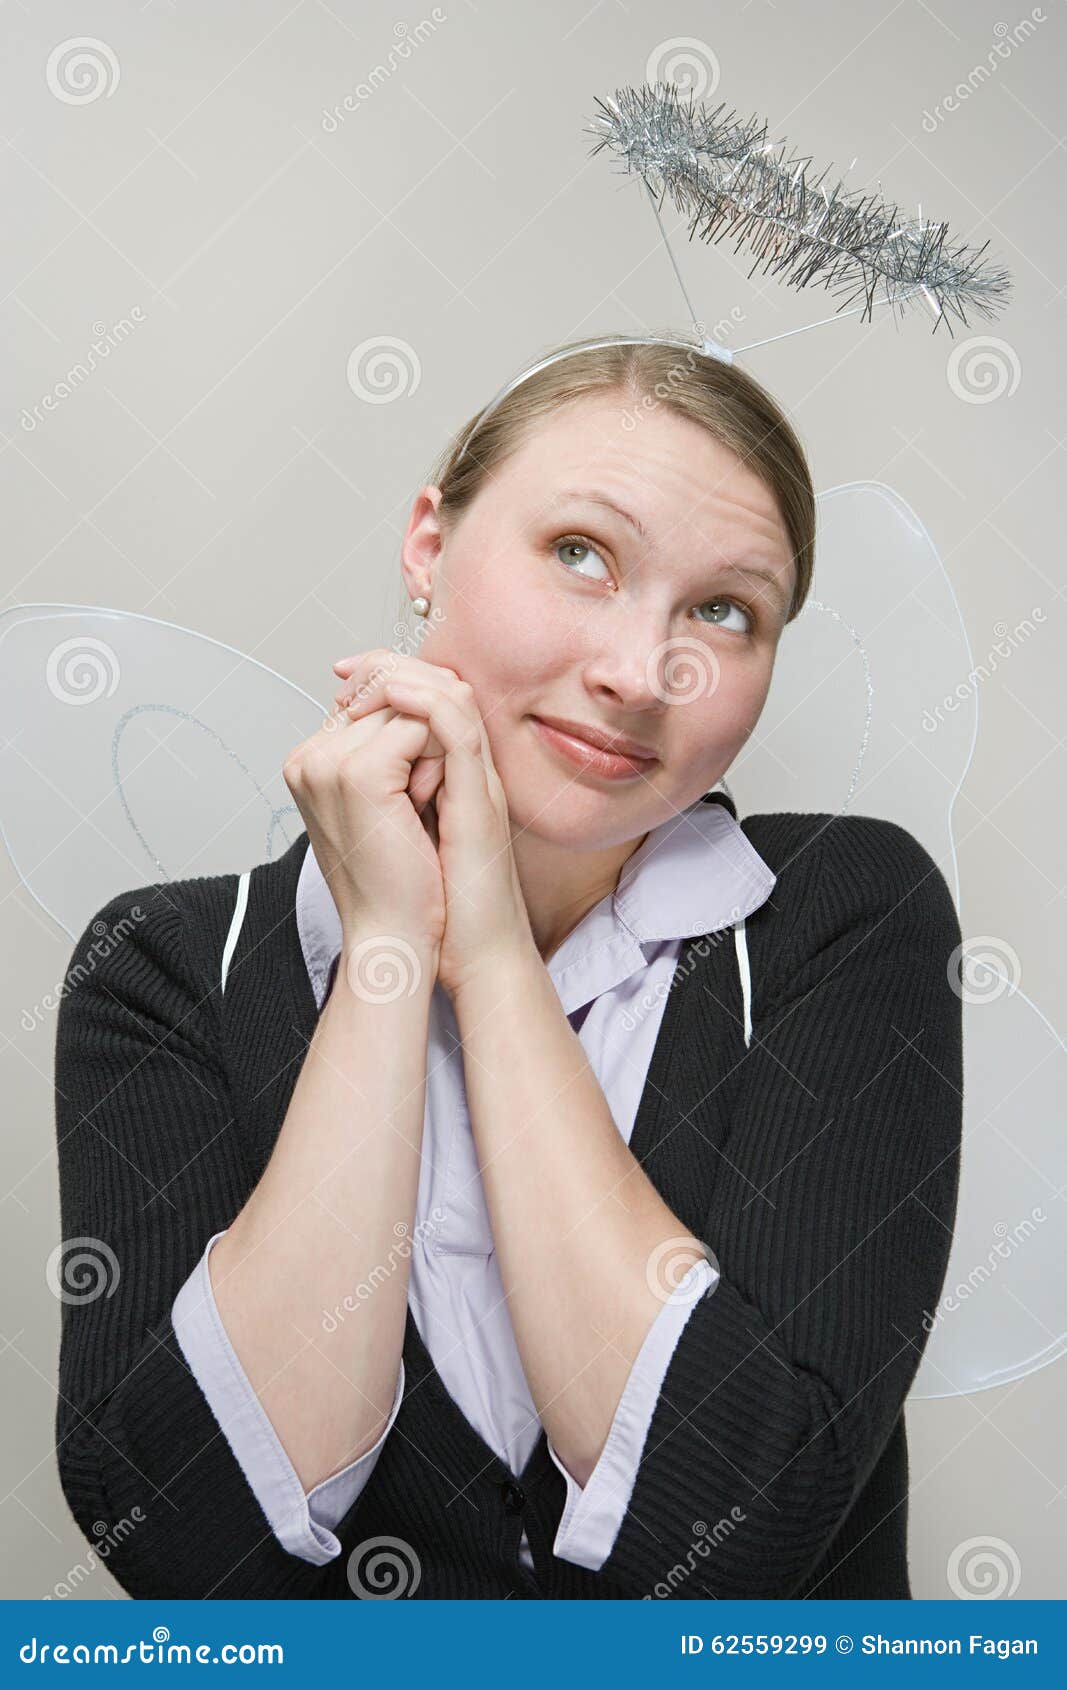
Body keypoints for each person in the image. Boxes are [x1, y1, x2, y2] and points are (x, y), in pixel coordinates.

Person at [53, 338, 963, 1599]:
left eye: (724, 611)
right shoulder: (163, 966)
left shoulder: (840, 918)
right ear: (429, 542)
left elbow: (747, 1536)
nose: (640, 675)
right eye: (581, 553)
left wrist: (487, 958)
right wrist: (385, 951)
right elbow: (185, 1548)